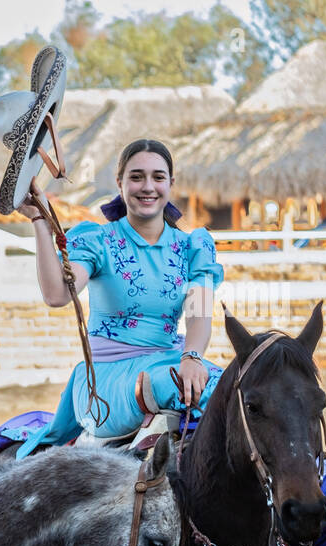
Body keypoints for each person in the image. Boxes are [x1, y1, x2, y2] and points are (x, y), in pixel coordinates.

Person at [15, 138, 224, 457]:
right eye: (136, 176)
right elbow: (57, 295)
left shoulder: (193, 247)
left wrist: (192, 356)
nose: (147, 187)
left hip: (173, 362)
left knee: (239, 388)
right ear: (120, 183)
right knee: (183, 386)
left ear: (170, 183)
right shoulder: (98, 241)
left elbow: (199, 315)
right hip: (108, 381)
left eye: (158, 177)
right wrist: (39, 220)